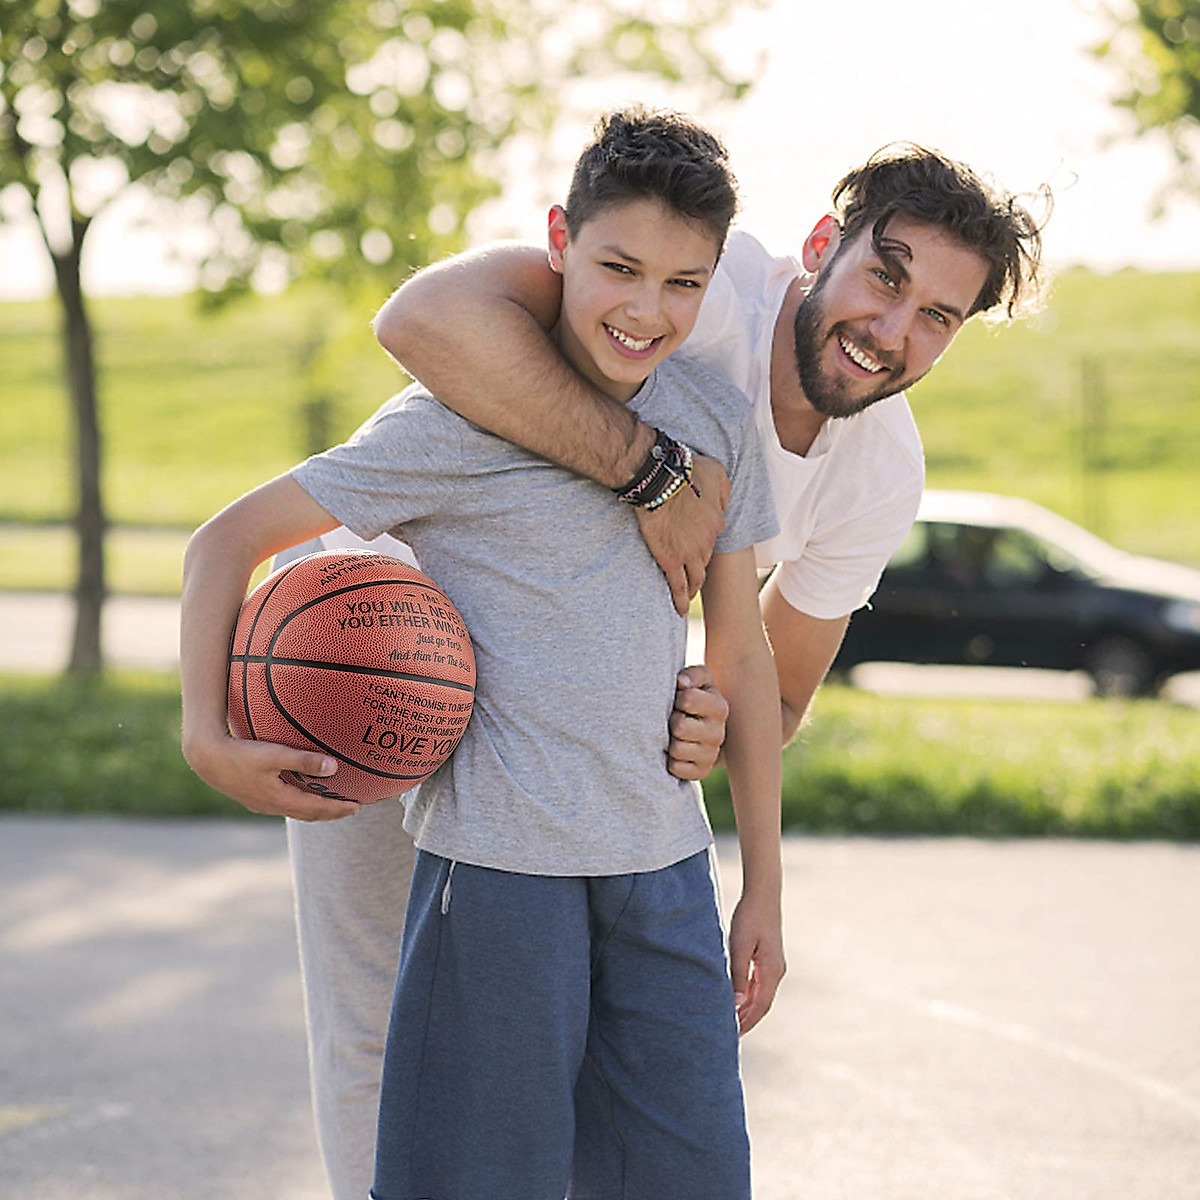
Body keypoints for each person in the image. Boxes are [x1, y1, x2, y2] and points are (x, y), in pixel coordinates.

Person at [245, 142, 1047, 1199]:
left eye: (938, 316)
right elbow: (418, 322)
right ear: (820, 249)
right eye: (884, 278)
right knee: (383, 1030)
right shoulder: (698, 283)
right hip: (383, 635)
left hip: (570, 712)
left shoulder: (881, 472)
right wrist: (646, 467)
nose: (892, 332)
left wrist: (713, 722)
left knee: (586, 1072)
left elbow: (782, 688)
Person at [181, 108, 785, 1200]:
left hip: (664, 874)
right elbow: (223, 543)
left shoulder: (714, 424)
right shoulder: (456, 423)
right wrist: (207, 736)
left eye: (684, 285)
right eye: (618, 268)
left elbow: (744, 664)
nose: (646, 310)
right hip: (495, 877)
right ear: (558, 241)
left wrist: (765, 894)